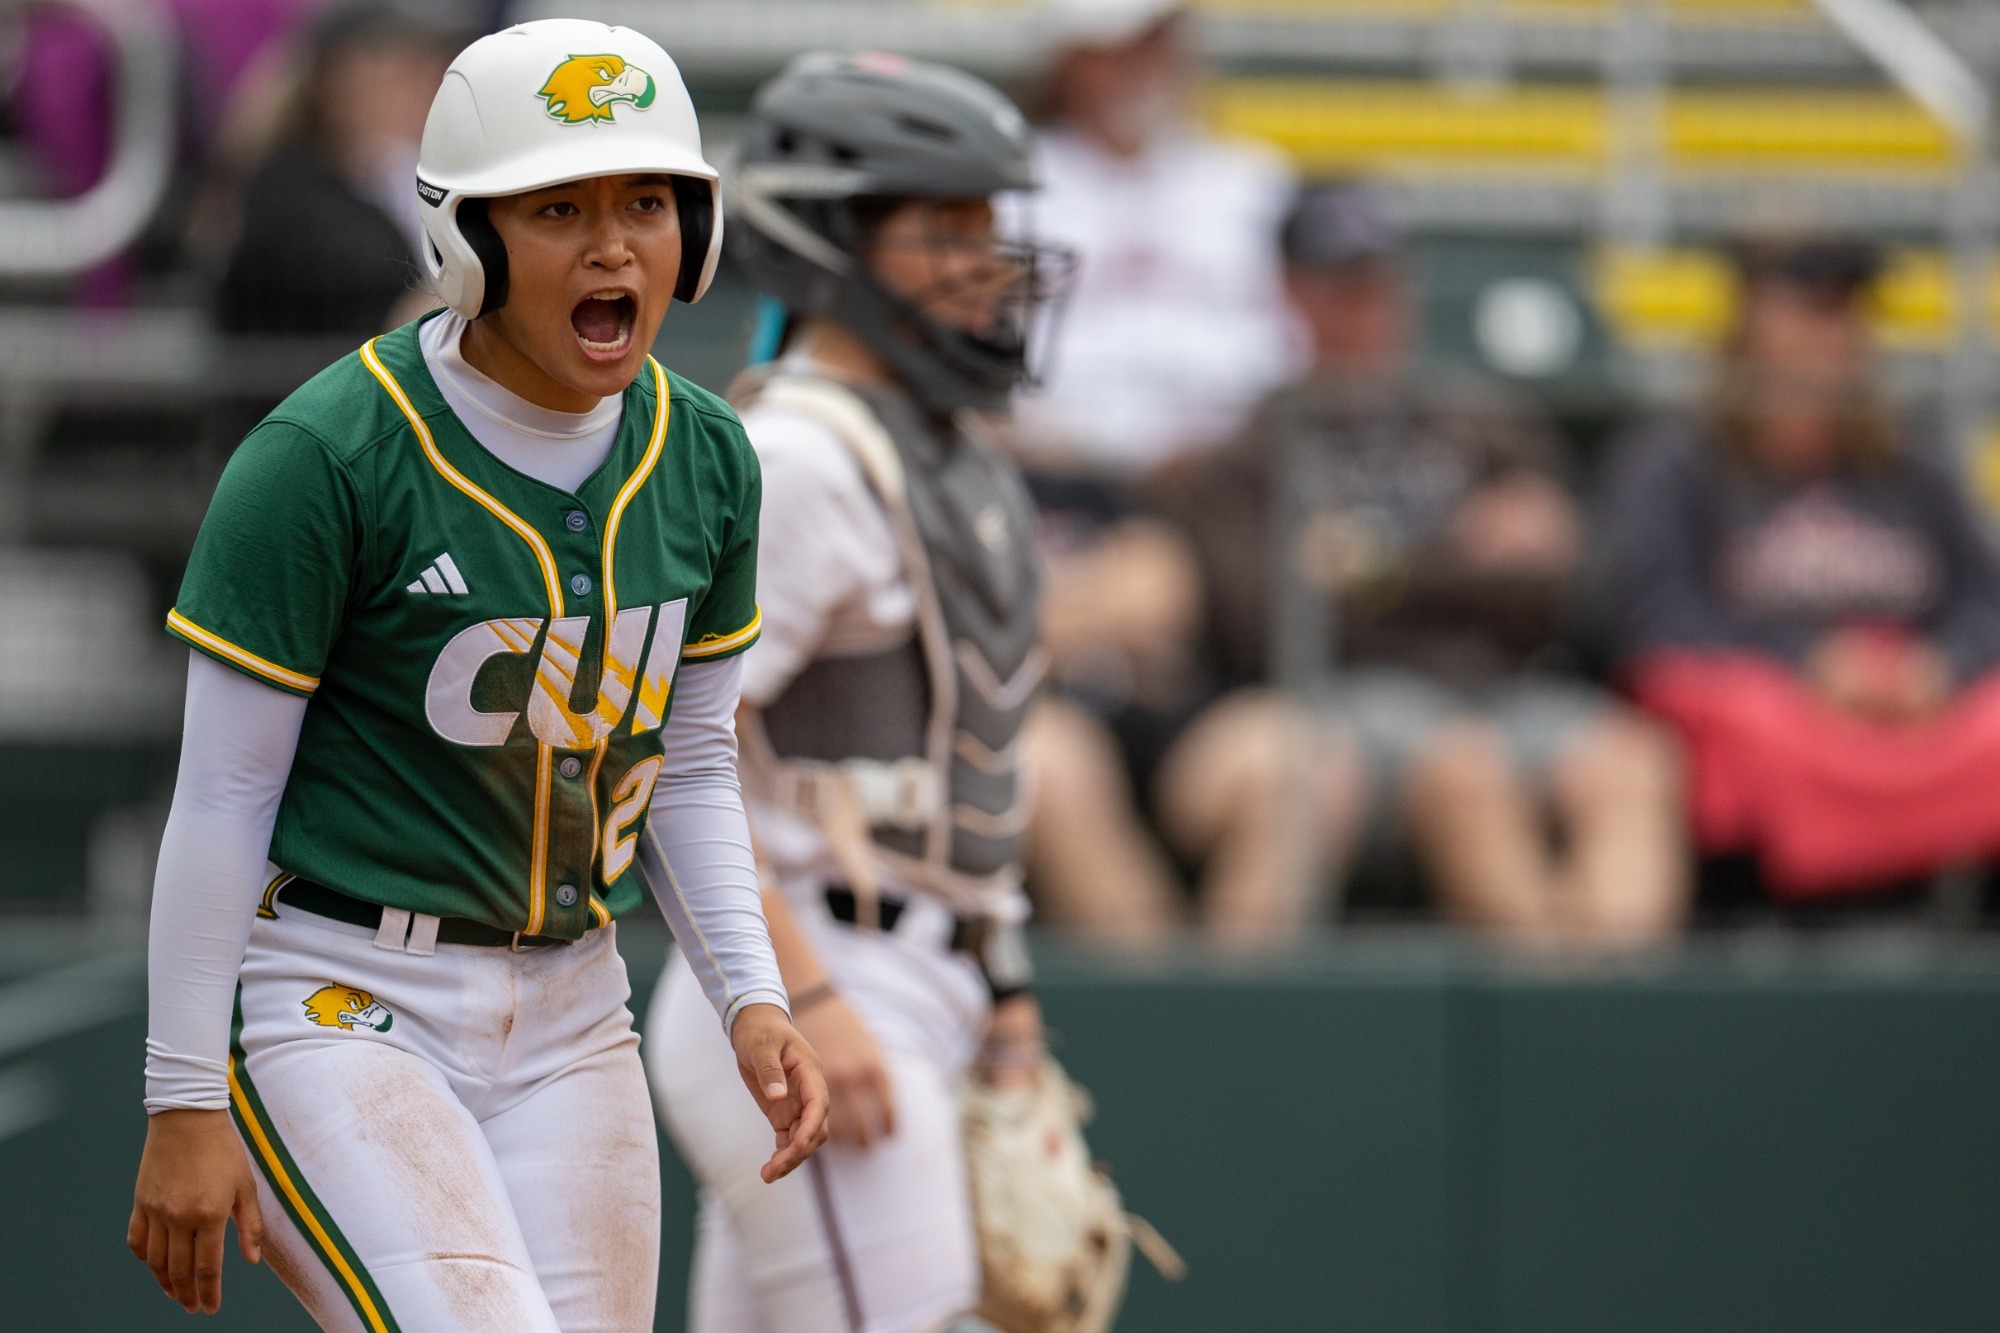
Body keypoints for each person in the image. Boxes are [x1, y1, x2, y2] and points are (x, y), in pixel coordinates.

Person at [126, 21, 827, 1331]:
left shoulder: (711, 455)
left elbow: (688, 762)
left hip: (576, 1004)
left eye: (648, 201)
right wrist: (181, 1093)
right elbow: (220, 795)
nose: (616, 244)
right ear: (466, 235)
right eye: (558, 206)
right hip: (342, 993)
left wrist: (751, 994)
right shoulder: (327, 451)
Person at [644, 52, 1068, 1332]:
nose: (987, 261)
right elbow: (656, 750)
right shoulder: (798, 454)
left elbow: (964, 774)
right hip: (811, 976)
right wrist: (798, 995)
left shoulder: (934, 446)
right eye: (944, 228)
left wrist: (1006, 999)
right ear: (830, 239)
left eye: (990, 226)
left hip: (913, 975)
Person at [1166, 181, 1687, 950]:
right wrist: (1465, 557)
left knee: (1635, 764)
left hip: (1511, 688)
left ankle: (1613, 1014)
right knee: (1462, 771)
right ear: (1293, 295)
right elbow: (1259, 616)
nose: (1369, 307)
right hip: (1349, 704)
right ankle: (1566, 1027)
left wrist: (1376, 565)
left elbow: (1560, 586)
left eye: (1382, 280)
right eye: (1343, 286)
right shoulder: (1257, 445)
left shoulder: (1482, 419)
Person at [1009, 0, 1304, 944]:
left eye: (1152, 42)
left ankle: (1229, 1027)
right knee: (1057, 764)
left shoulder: (1249, 181)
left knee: (1289, 764)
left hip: (1215, 497)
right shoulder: (1013, 180)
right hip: (1037, 487)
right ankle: (1172, 1028)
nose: (1136, 69)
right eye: (1114, 48)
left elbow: (1291, 357)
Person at [1606, 235, 2000, 900]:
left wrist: (1939, 666)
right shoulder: (1678, 463)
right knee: (1734, 715)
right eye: (1812, 308)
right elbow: (1652, 623)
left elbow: (1985, 604)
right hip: (1772, 714)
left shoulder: (1917, 464)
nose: (1835, 332)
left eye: (1847, 311)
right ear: (1750, 324)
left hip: (1910, 712)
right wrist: (1808, 661)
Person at [217, 0, 465, 337]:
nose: (429, 91)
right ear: (339, 87)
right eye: (405, 74)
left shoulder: (393, 179)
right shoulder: (290, 199)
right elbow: (403, 326)